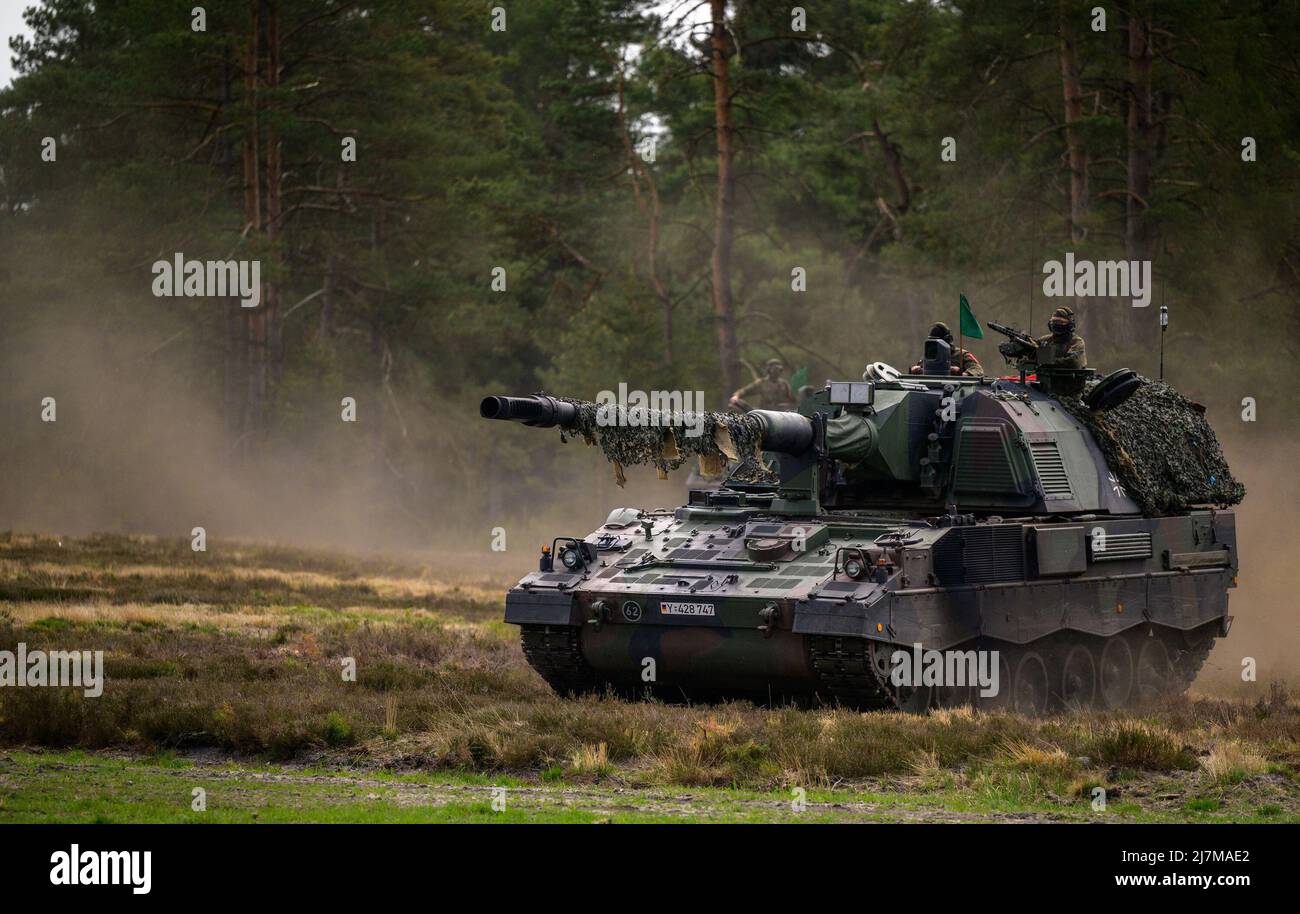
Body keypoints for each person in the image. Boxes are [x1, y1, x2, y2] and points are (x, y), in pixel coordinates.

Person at [909, 322, 984, 377]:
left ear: (948, 340)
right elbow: (917, 373)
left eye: (938, 342)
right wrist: (915, 370)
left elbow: (978, 370)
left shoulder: (962, 355)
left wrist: (963, 374)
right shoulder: (929, 357)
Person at [730, 359, 795, 411]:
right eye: (774, 369)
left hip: (781, 413)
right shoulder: (761, 383)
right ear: (769, 370)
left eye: (779, 370)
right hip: (765, 414)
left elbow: (792, 399)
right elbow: (745, 391)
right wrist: (736, 396)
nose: (777, 372)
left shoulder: (784, 384)